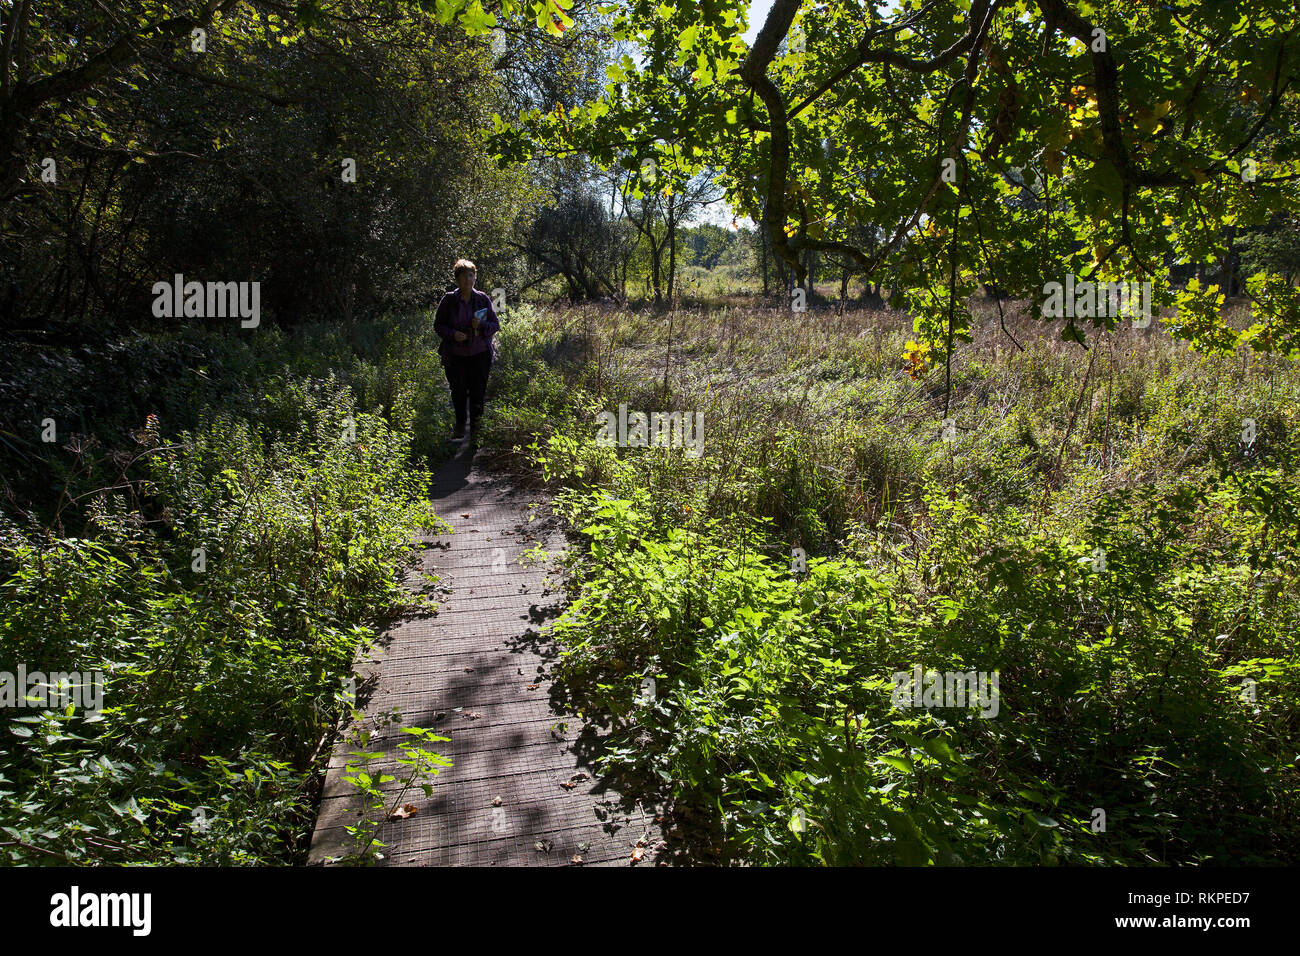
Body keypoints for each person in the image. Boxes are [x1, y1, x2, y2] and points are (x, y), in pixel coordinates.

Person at [434, 259, 499, 441]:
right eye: (463, 277)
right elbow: (438, 326)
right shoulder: (449, 300)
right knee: (459, 392)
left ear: (475, 277)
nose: (468, 280)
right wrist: (453, 334)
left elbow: (495, 325)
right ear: (457, 280)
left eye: (471, 276)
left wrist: (482, 324)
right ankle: (460, 425)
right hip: (455, 356)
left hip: (480, 354)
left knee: (478, 394)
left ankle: (476, 433)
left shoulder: (482, 298)